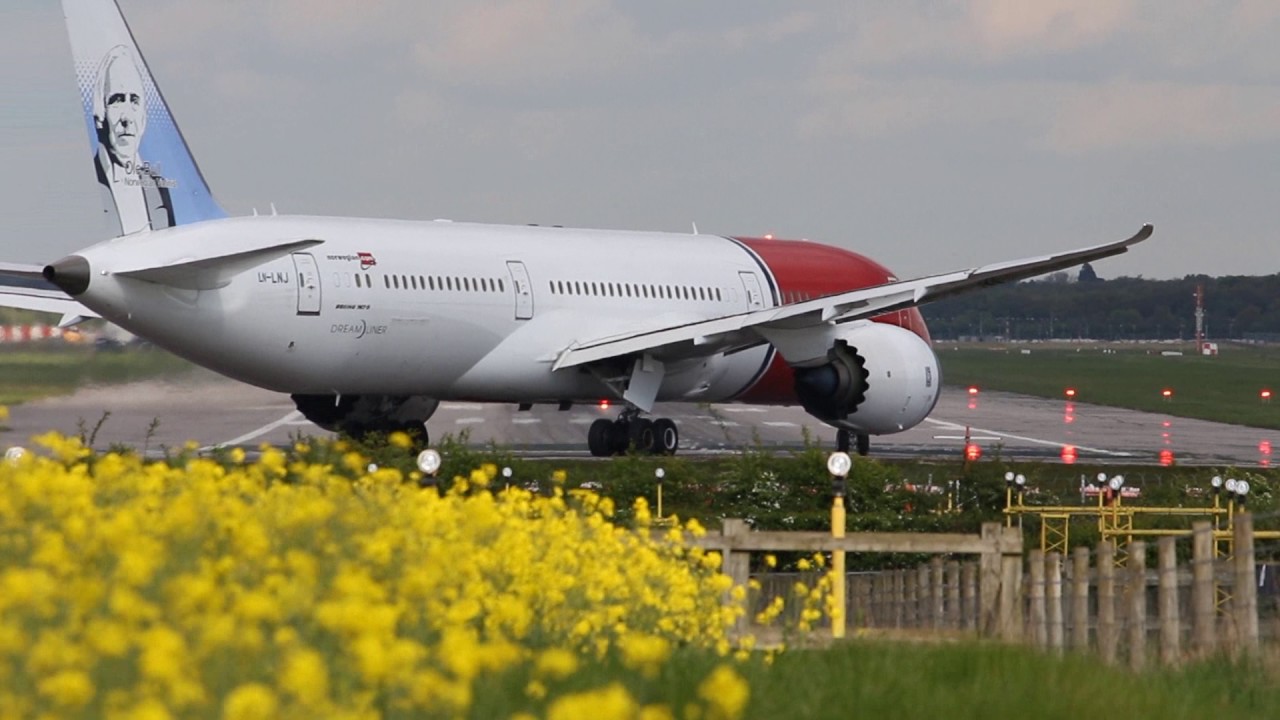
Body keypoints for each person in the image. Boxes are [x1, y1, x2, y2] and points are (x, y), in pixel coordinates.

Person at [92, 44, 174, 235]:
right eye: (117, 100)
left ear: (143, 118)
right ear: (100, 115)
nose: (127, 117)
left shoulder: (158, 187)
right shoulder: (95, 187)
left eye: (134, 101)